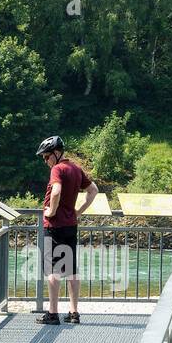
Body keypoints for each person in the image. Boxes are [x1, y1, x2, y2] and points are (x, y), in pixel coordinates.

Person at [36, 135, 98, 325]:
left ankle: (53, 314)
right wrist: (77, 212)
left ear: (56, 153)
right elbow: (93, 190)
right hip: (71, 225)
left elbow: (55, 191)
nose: (45, 161)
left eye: (46, 156)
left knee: (53, 269)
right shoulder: (76, 168)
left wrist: (51, 211)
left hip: (54, 226)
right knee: (71, 270)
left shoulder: (58, 169)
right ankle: (74, 313)